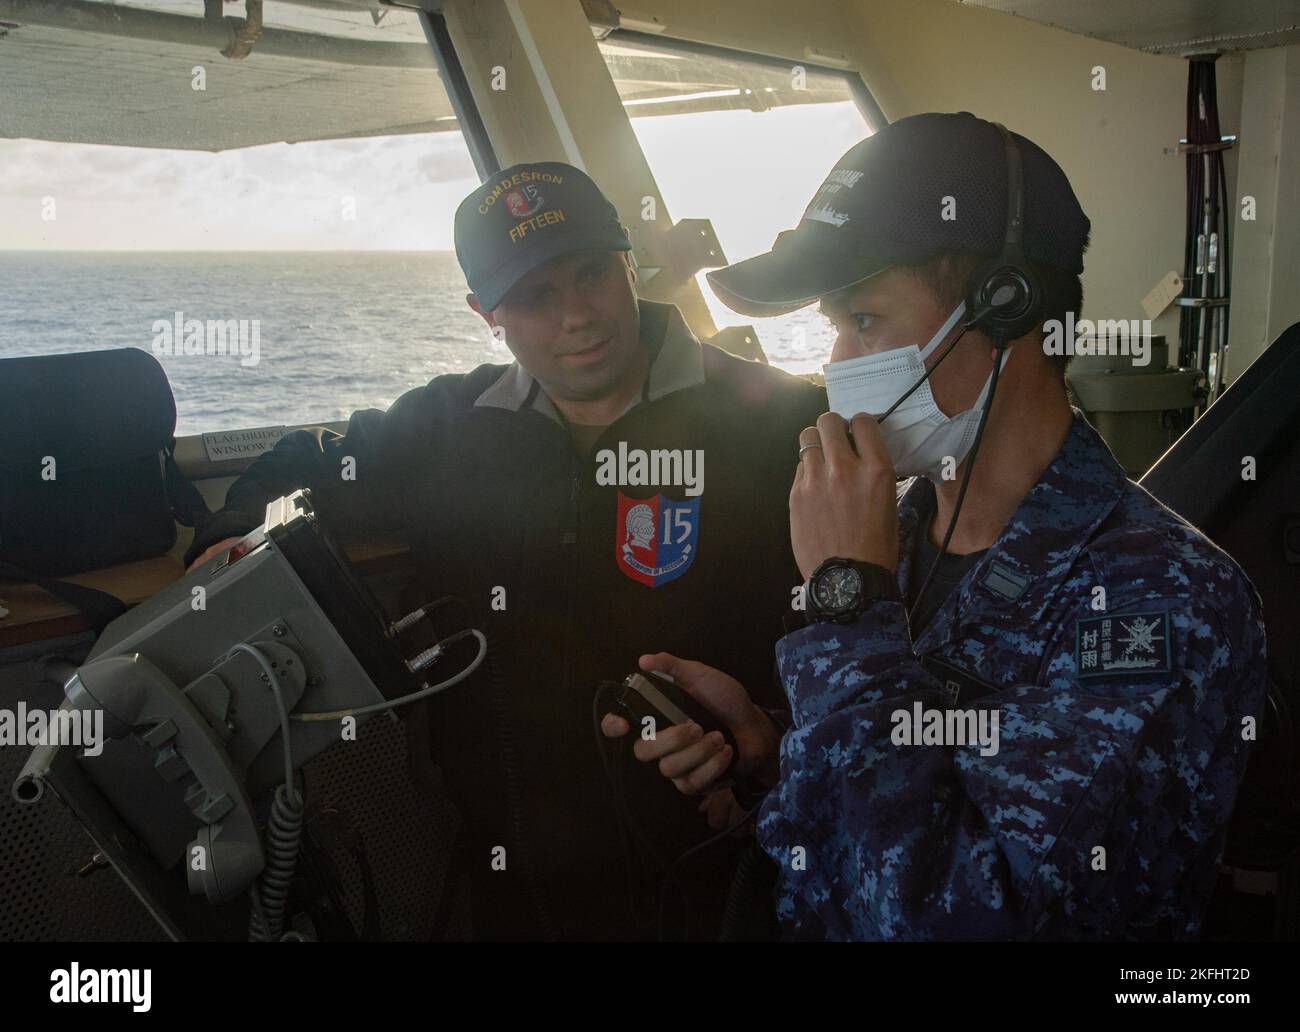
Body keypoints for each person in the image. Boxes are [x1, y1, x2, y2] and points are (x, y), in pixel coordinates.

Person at [603, 112, 1268, 940]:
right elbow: (894, 802)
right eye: (831, 327)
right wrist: (770, 753)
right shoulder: (901, 537)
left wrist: (845, 614)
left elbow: (970, 918)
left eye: (867, 320)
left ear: (1004, 307)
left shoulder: (1163, 600)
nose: (837, 364)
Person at [184, 161, 826, 940]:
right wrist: (229, 536)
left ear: (629, 263)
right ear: (485, 312)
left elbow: (864, 623)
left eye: (593, 273)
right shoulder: (448, 427)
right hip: (510, 850)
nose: (578, 316)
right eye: (534, 297)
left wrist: (768, 743)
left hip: (713, 849)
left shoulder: (781, 421)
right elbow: (309, 457)